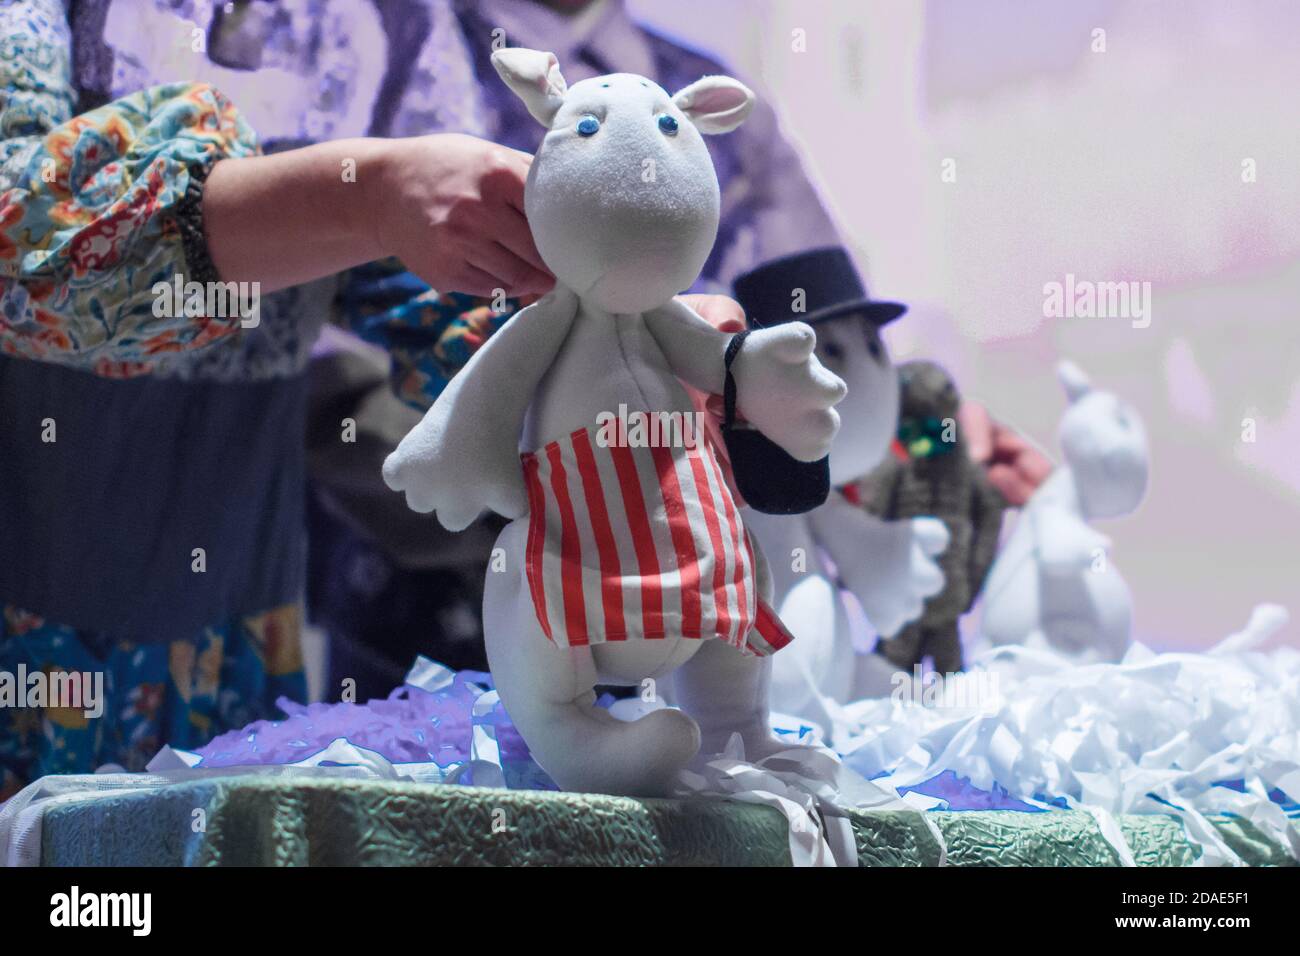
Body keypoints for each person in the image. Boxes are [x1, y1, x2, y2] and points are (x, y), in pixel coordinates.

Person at [0, 0, 741, 797]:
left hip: (233, 608)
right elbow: (20, 251)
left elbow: (437, 290)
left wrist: (617, 342)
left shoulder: (388, 22)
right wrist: (367, 198)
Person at [305, 0, 1051, 700]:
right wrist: (547, 484)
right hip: (447, 616)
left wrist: (907, 426)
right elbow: (325, 355)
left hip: (707, 568)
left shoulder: (716, 109)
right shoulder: (385, 53)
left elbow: (816, 313)